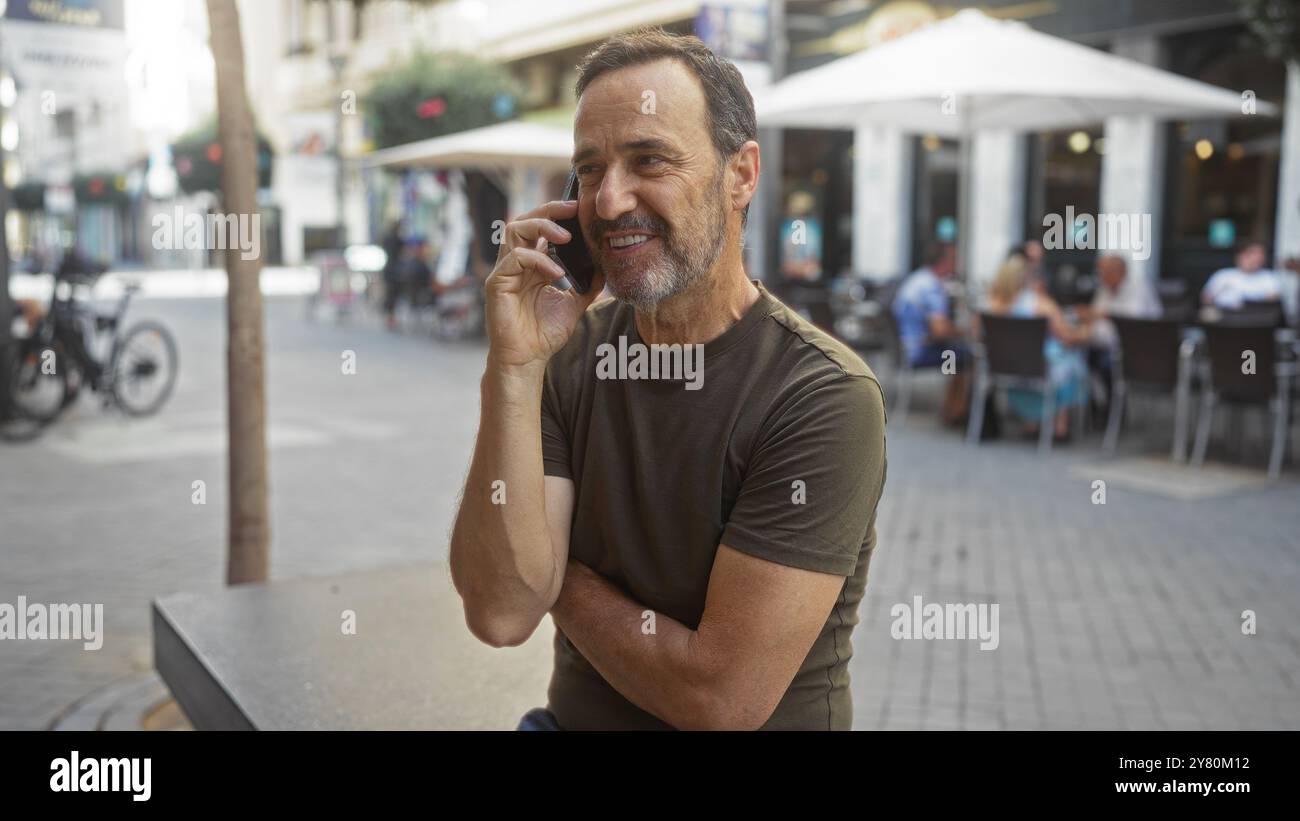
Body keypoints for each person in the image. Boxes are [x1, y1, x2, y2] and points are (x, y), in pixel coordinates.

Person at [449, 27, 887, 731]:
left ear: (741, 174)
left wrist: (557, 576)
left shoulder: (822, 397)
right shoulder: (564, 355)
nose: (611, 200)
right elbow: (501, 611)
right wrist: (512, 367)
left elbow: (717, 700)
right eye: (589, 170)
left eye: (648, 159)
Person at [984, 254, 1091, 440]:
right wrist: (1085, 332)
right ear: (1029, 278)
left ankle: (1031, 424)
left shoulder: (990, 304)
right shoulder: (1040, 304)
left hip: (1001, 369)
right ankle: (1060, 427)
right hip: (1039, 370)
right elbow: (1066, 336)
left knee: (1040, 360)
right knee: (1070, 360)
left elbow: (978, 335)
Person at [891, 241, 971, 424]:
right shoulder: (932, 287)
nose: (956, 264)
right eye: (954, 259)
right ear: (943, 261)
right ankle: (955, 411)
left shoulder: (916, 279)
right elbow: (940, 331)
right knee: (964, 356)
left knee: (957, 352)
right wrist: (963, 332)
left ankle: (953, 408)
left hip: (905, 347)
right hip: (918, 350)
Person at [1078, 254, 1160, 350]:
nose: (1102, 276)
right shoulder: (1104, 288)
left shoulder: (1138, 287)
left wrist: (1098, 315)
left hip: (1140, 343)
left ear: (1122, 271)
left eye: (1108, 271)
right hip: (1108, 342)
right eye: (1101, 272)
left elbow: (1130, 321)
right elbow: (1094, 316)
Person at [1201, 241, 1282, 310]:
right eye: (1251, 254)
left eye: (1260, 255)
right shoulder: (1223, 275)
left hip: (1256, 320)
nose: (1256, 258)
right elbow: (1206, 299)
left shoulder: (1269, 277)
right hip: (1225, 318)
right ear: (1240, 256)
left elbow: (1274, 300)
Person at [380, 219, 405, 330]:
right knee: (393, 296)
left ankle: (390, 318)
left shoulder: (386, 239)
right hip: (397, 270)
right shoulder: (398, 240)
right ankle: (391, 318)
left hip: (388, 268)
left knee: (389, 295)